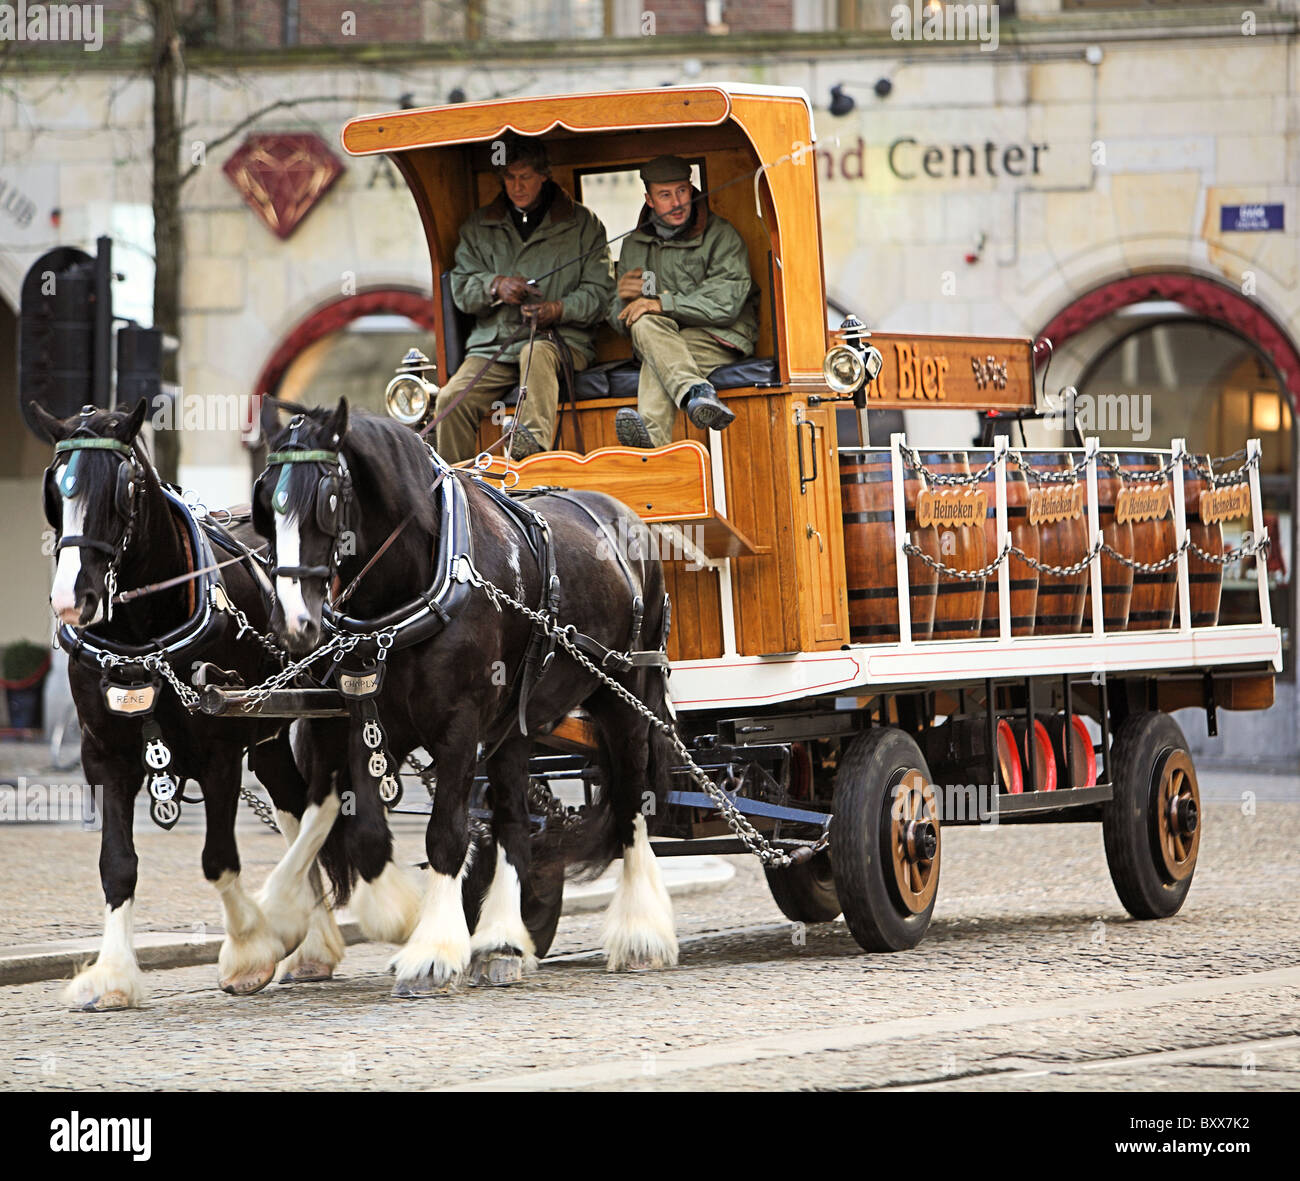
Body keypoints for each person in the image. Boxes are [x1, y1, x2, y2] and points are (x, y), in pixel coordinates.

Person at [433, 133, 614, 462]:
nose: (517, 186)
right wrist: (495, 286)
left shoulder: (582, 225)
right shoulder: (478, 227)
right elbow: (461, 289)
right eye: (510, 178)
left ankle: (529, 459)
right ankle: (455, 490)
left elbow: (601, 294)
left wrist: (558, 309)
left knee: (537, 353)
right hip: (494, 346)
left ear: (544, 176)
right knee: (450, 400)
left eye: (525, 177)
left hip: (561, 342)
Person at [610, 155, 758, 448]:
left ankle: (651, 443)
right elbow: (622, 319)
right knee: (645, 328)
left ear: (691, 190)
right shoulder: (634, 244)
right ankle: (697, 394)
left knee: (660, 358)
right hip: (662, 337)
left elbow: (725, 304)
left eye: (682, 191)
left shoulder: (721, 235)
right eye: (665, 195)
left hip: (719, 337)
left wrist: (663, 303)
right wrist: (621, 300)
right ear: (649, 200)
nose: (677, 202)